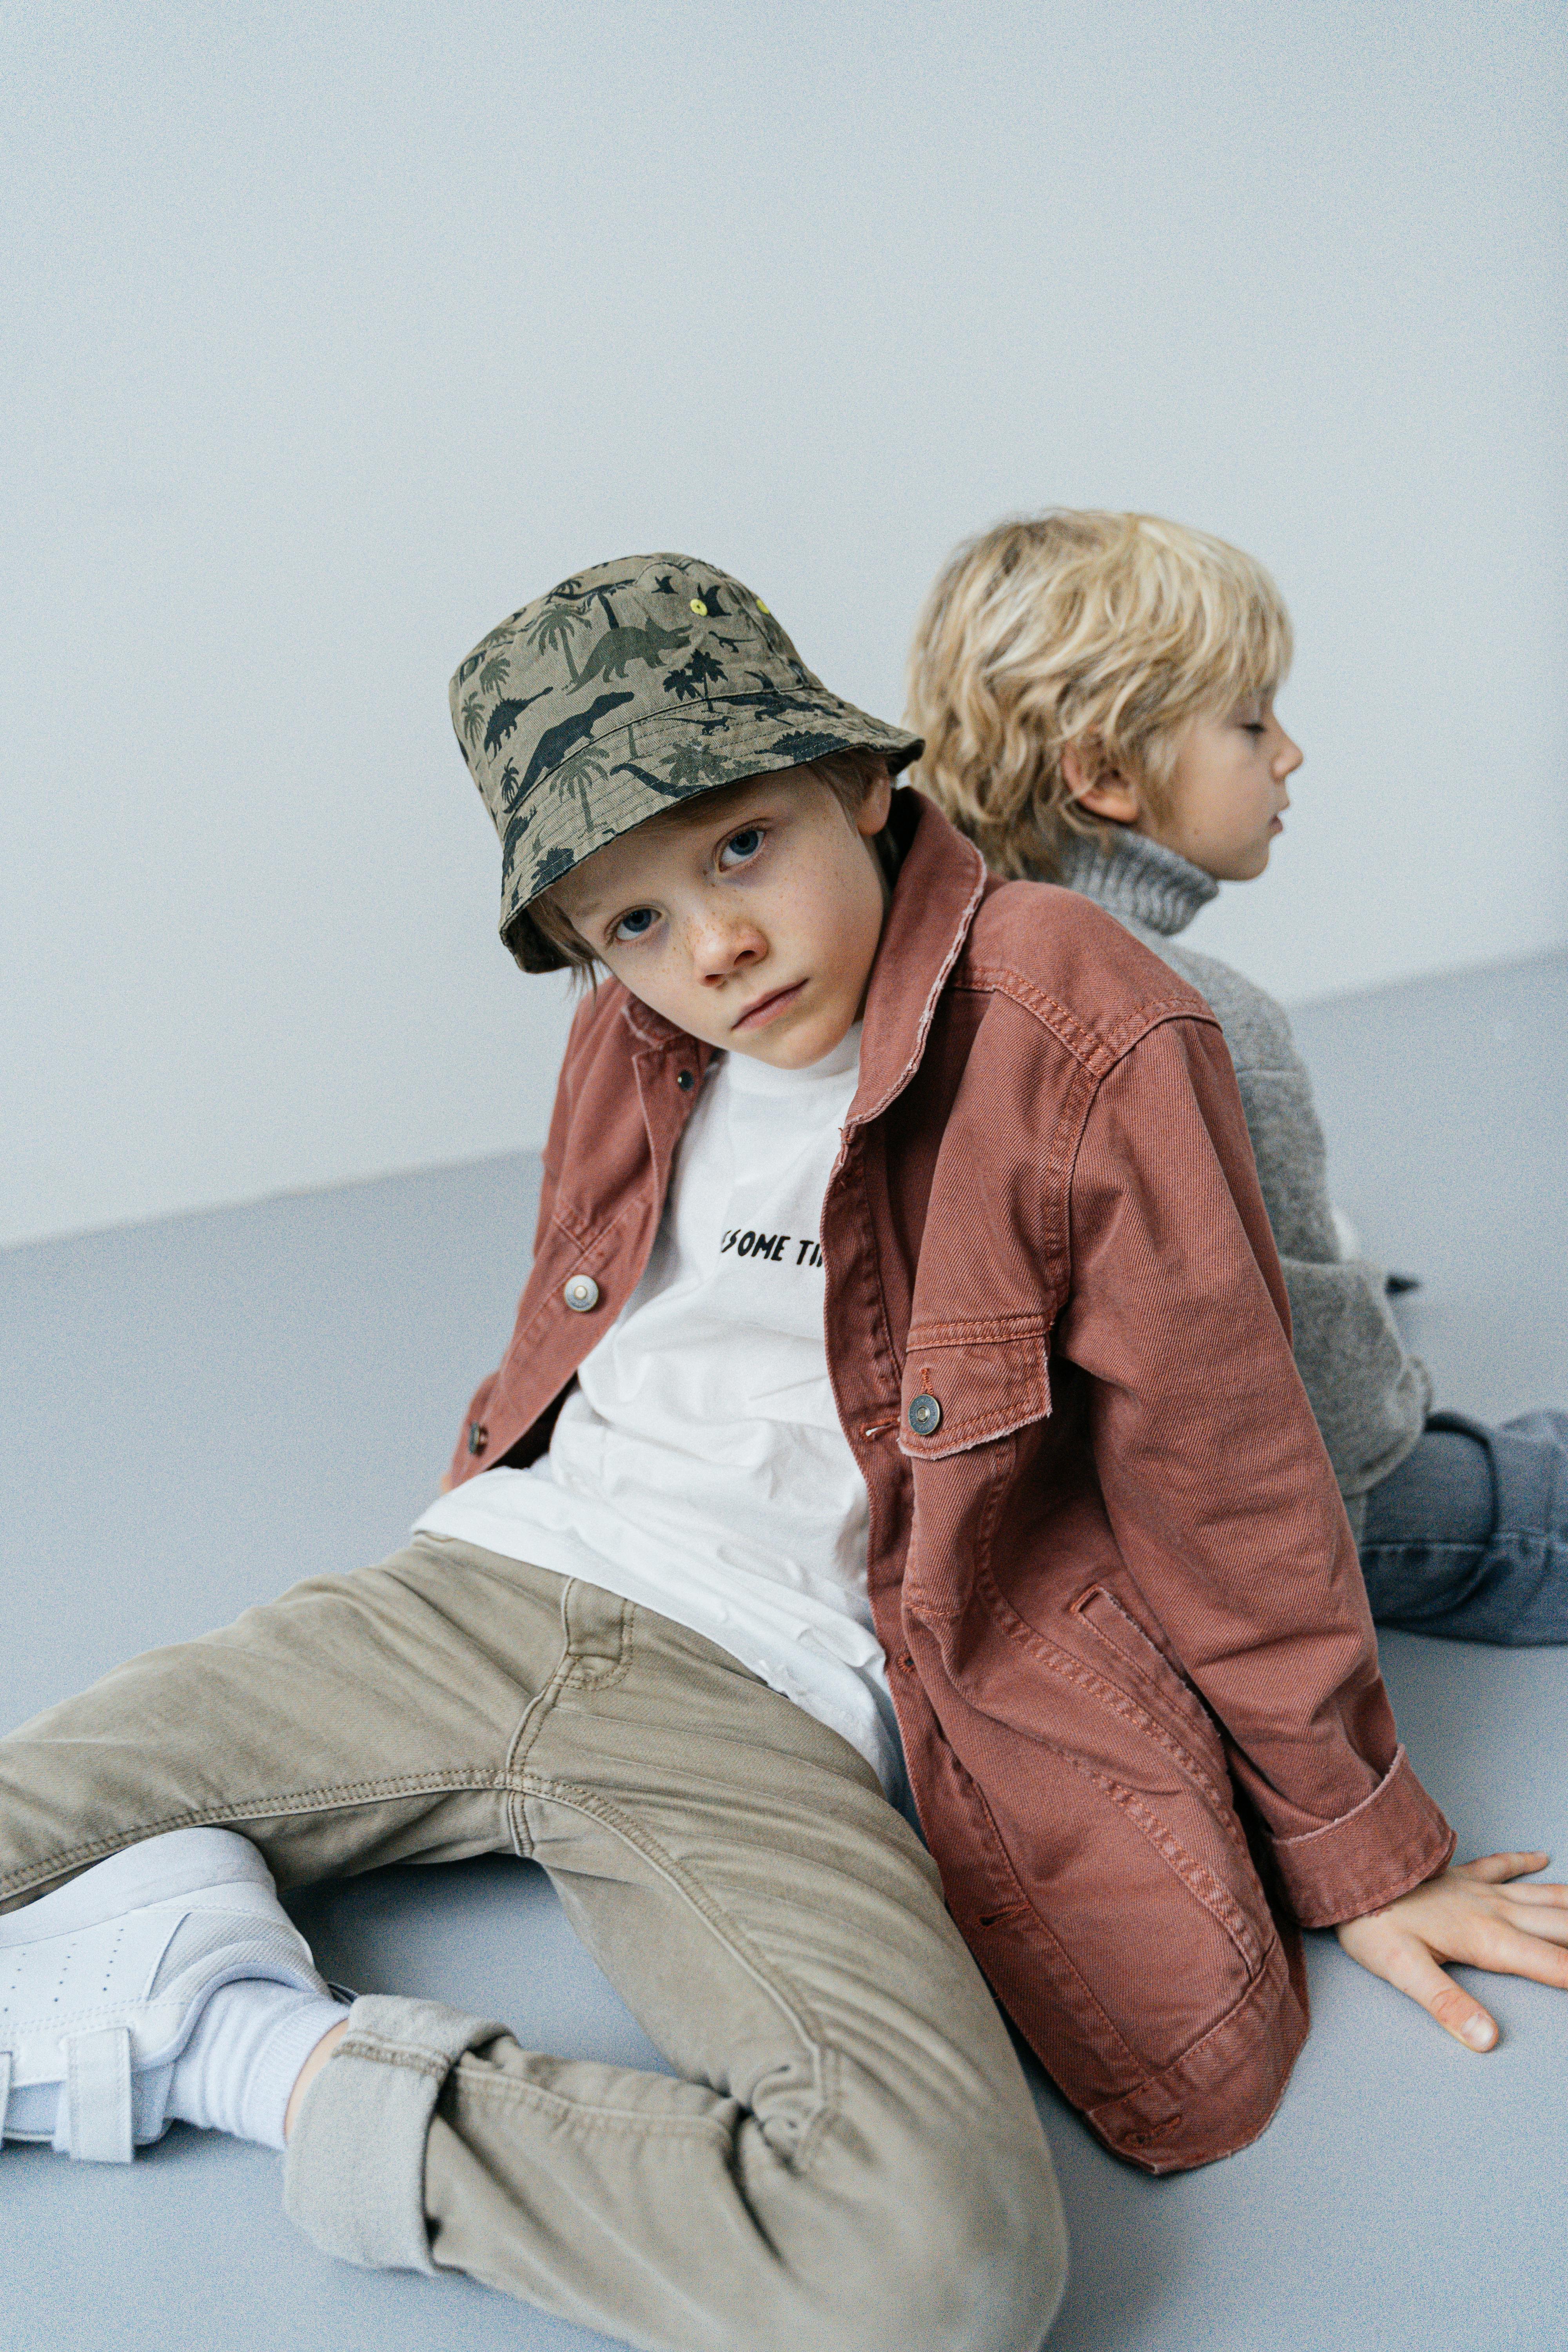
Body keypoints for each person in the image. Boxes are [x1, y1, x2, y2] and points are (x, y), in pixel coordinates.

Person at [4, 554, 1566, 2352]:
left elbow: (1225, 1473)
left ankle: (228, 2042)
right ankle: (163, 1936)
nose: (710, 949)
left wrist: (1363, 1848)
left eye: (739, 847)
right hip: (483, 1589)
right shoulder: (636, 1028)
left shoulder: (1076, 1006)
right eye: (631, 921)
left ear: (857, 783)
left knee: (932, 2274)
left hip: (772, 1699)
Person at [906, 509, 1568, 1646]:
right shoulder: (1201, 1018)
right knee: (1540, 1494)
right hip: (1215, 1533)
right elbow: (1348, 1434)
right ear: (1106, 775)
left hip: (1039, 1521)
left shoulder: (940, 964)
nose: (1288, 753)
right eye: (1253, 722)